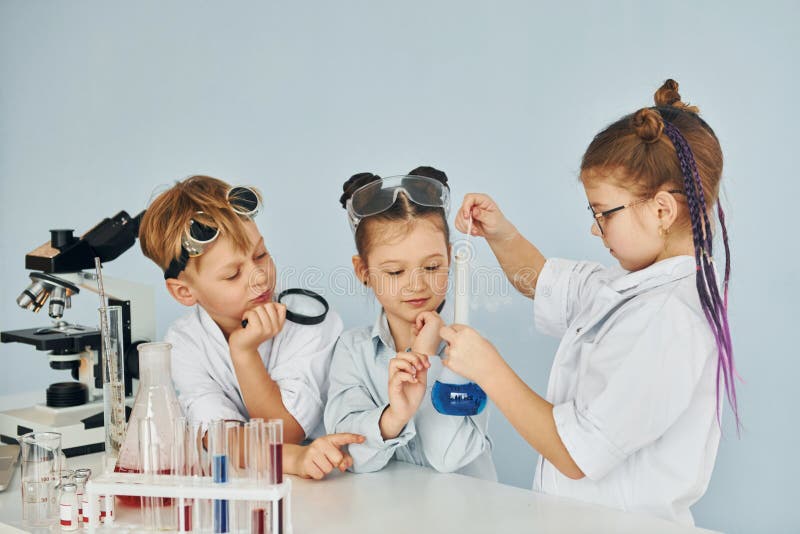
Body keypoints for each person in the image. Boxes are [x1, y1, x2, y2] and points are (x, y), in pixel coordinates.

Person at [439, 80, 737, 524]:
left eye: (603, 212)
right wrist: (500, 232)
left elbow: (575, 454)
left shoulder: (669, 321)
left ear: (661, 210)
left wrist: (489, 370)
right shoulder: (633, 287)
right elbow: (539, 281)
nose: (595, 230)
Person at [139, 175, 364, 479]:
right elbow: (222, 438)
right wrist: (291, 460)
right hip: (262, 486)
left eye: (261, 254)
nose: (259, 277)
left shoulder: (310, 320)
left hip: (334, 485)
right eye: (232, 274)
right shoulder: (184, 343)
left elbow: (285, 432)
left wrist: (244, 354)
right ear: (184, 292)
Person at [324, 166, 496, 480]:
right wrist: (395, 416)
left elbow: (449, 455)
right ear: (363, 271)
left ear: (448, 257)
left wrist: (427, 357)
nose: (416, 285)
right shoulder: (353, 350)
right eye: (394, 272)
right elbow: (347, 453)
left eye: (432, 266)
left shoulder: (471, 349)